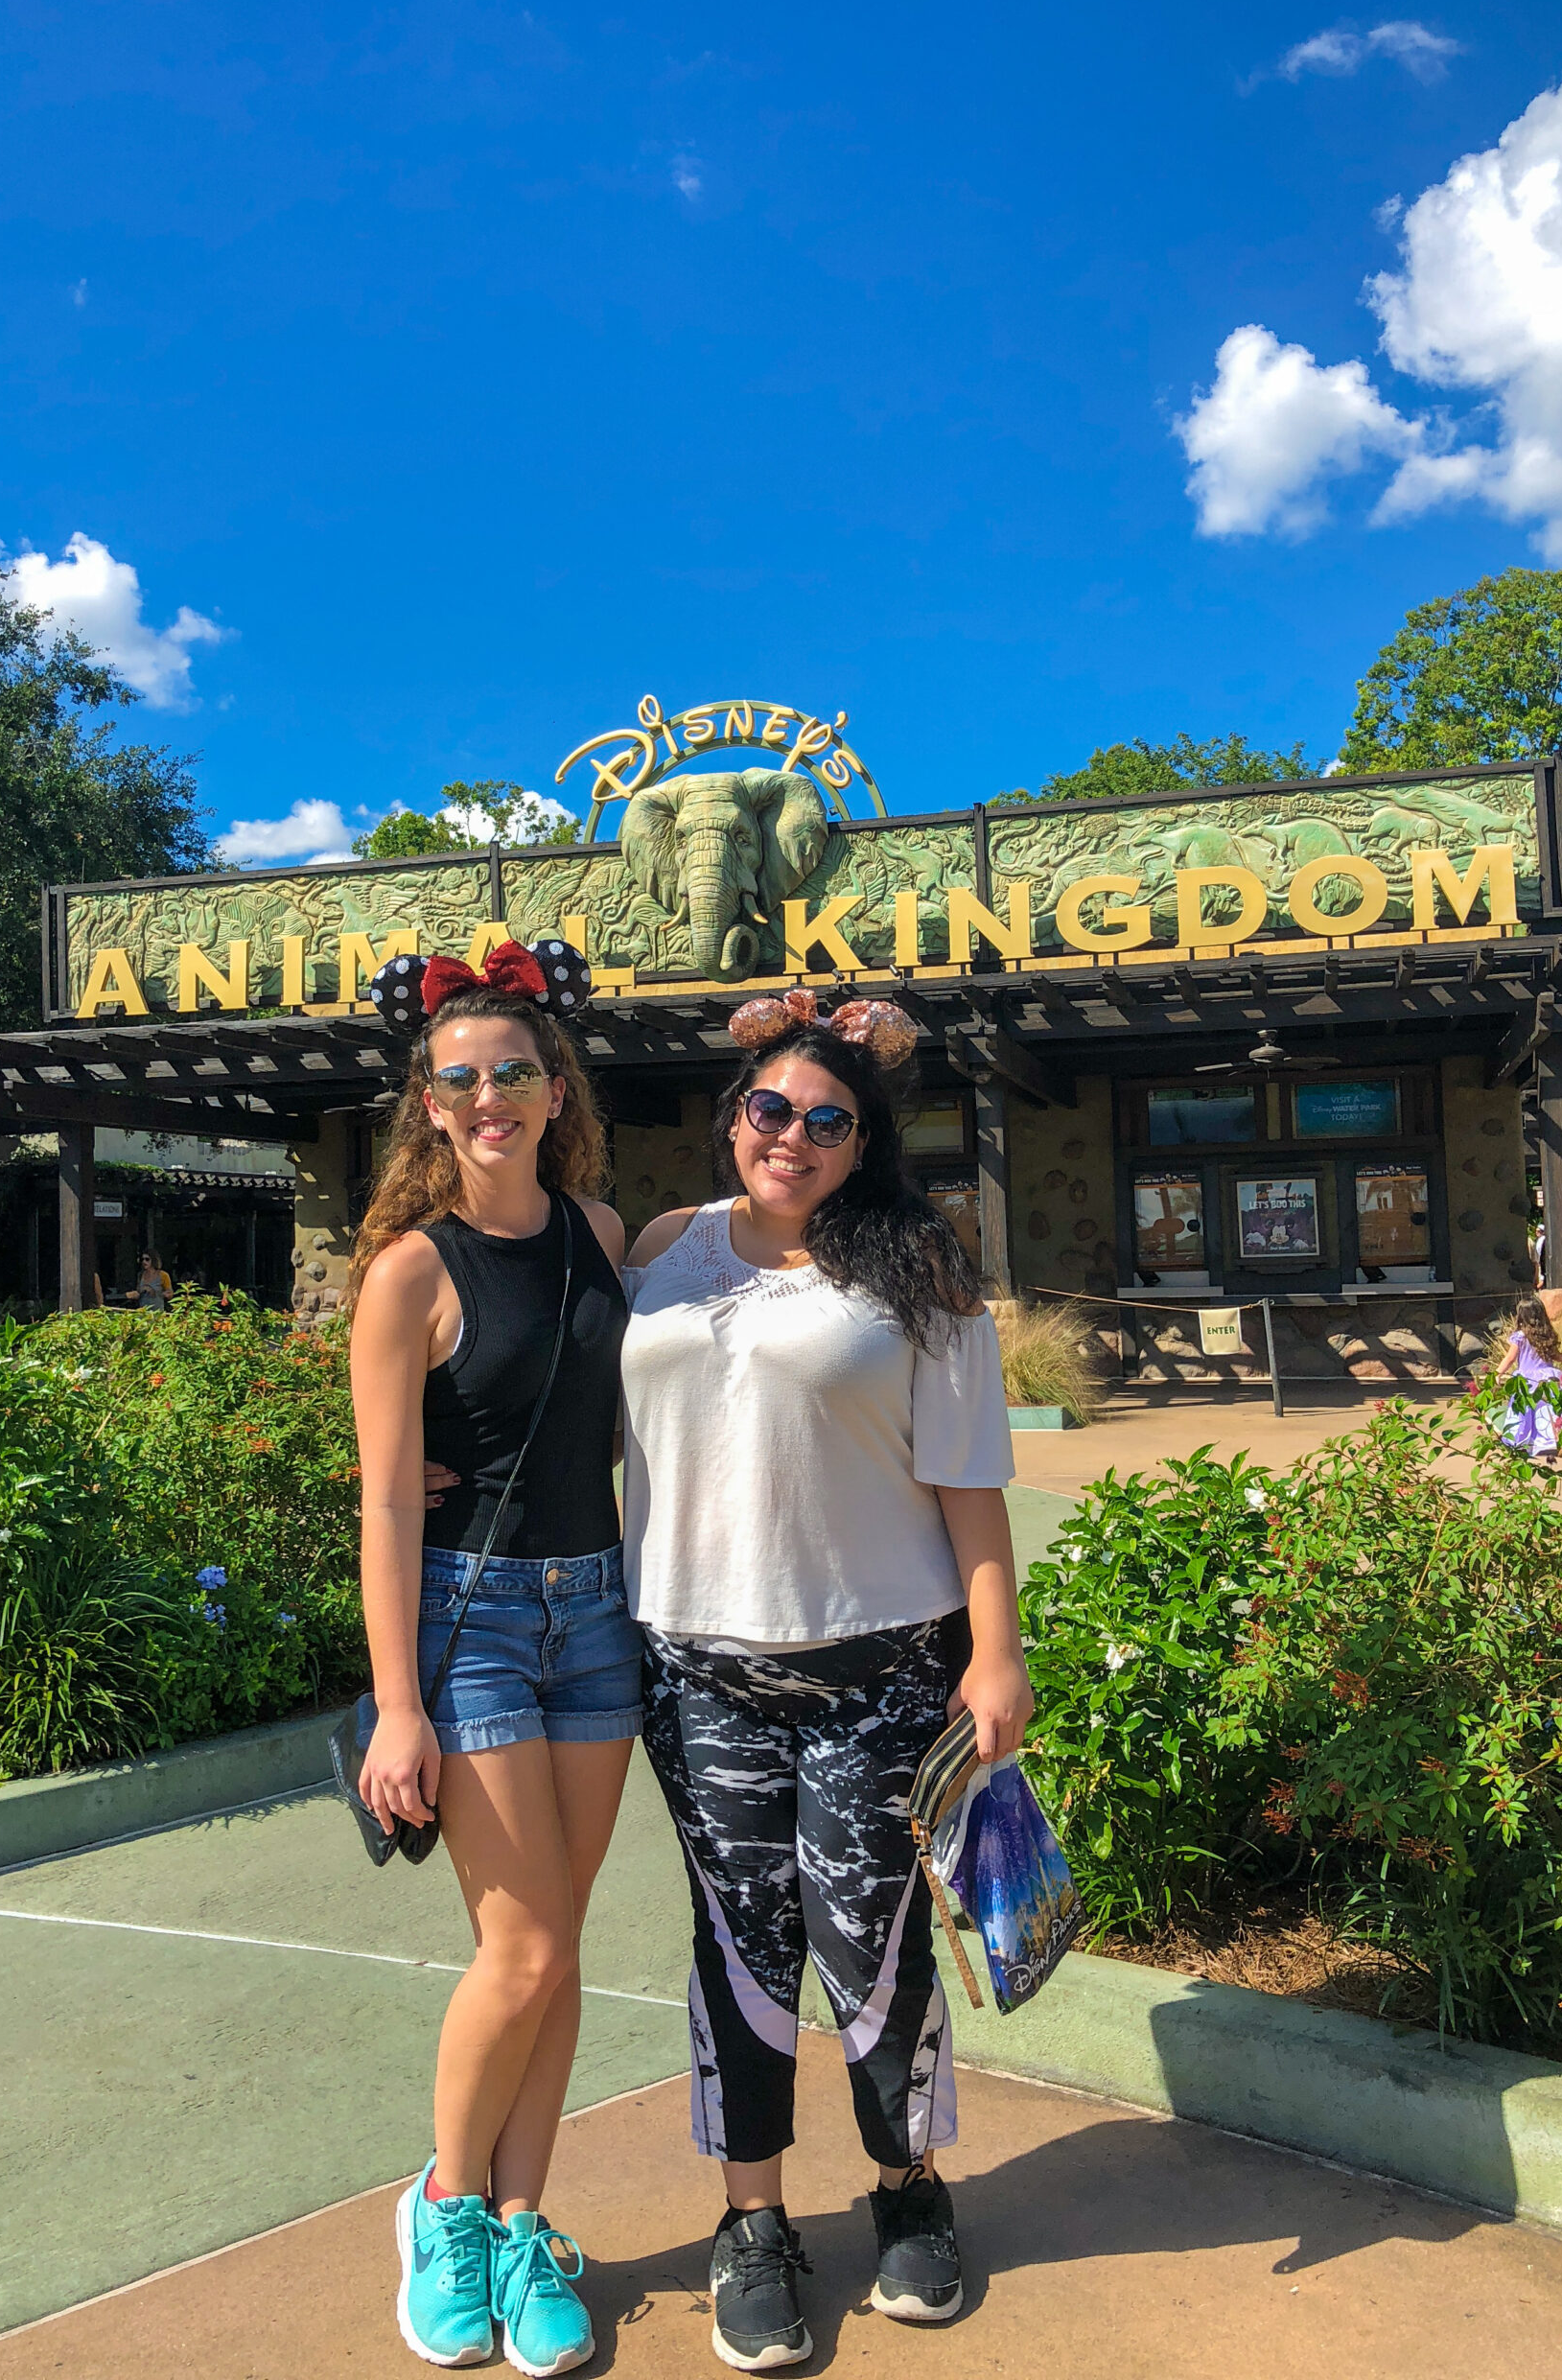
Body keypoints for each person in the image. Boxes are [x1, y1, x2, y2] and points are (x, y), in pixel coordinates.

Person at [621, 989, 1034, 2373]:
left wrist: (997, 1652)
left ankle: (908, 2186)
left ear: (865, 1142)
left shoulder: (918, 1265)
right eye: (769, 1108)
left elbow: (968, 1479)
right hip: (696, 1669)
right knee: (738, 1947)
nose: (789, 1136)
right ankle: (753, 2223)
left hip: (879, 1667)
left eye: (827, 1120)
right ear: (732, 1114)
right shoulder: (663, 1248)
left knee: (871, 1947)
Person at [346, 938, 634, 2378]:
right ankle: (446, 2205)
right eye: (461, 1080)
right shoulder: (409, 1272)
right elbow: (388, 1501)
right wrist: (399, 1707)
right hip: (475, 1625)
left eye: (514, 1072)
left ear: (554, 1087)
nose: (490, 1098)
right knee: (518, 1947)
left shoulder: (605, 1234)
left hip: (601, 1613)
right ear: (430, 1106)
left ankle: (524, 2220)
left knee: (557, 1942)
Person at [1488, 1297, 1562, 1458]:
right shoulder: (1547, 1335)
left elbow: (1510, 1358)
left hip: (1527, 1380)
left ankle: (1519, 1440)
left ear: (1521, 1316)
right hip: (1549, 1377)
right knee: (1553, 1409)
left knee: (1524, 1411)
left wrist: (1497, 1373)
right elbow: (1558, 1357)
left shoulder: (1520, 1336)